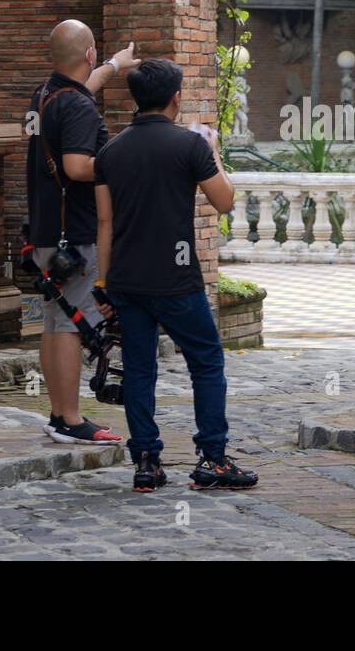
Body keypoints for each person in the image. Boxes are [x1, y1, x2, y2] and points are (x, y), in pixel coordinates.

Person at [93, 58, 257, 493]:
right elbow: (223, 201)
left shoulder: (110, 152)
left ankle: (146, 462)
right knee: (205, 360)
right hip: (175, 276)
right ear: (176, 98)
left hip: (126, 279)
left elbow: (105, 224)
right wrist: (215, 149)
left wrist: (103, 284)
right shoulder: (190, 145)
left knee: (140, 370)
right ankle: (212, 458)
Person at [26, 20, 138, 445]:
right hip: (72, 233)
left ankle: (58, 414)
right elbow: (76, 166)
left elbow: (82, 89)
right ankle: (72, 419)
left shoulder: (44, 94)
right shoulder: (78, 107)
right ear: (87, 54)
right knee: (73, 324)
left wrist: (114, 65)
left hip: (43, 232)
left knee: (55, 323)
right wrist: (118, 164)